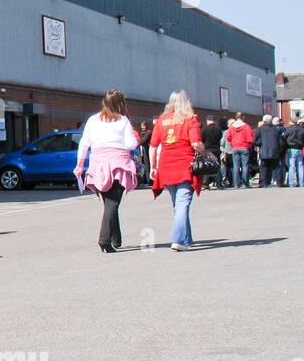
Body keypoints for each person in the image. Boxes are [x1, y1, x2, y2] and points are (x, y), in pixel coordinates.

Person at [74, 89, 140, 253]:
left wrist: (80, 165)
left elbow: (84, 143)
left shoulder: (93, 120)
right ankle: (104, 239)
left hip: (98, 164)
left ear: (104, 102)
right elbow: (131, 144)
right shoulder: (123, 120)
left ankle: (115, 238)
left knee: (109, 202)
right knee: (113, 202)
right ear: (121, 105)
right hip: (118, 163)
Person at [149, 90, 206, 251]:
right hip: (184, 165)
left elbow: (153, 146)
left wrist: (153, 166)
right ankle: (178, 239)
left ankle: (186, 238)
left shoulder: (161, 120)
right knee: (183, 203)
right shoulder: (190, 119)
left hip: (166, 166)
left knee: (178, 203)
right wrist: (205, 153)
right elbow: (195, 143)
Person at [255, 115, 284, 187]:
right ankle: (279, 182)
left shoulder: (260, 129)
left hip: (264, 150)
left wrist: (259, 144)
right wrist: (279, 147)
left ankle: (264, 183)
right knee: (276, 167)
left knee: (264, 167)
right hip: (274, 150)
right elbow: (280, 141)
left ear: (264, 121)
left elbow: (255, 140)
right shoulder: (276, 129)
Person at [226, 113, 253, 187]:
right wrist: (249, 144)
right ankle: (245, 183)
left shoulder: (231, 127)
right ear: (243, 117)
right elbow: (250, 138)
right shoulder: (246, 126)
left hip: (235, 147)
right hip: (244, 147)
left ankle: (236, 183)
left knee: (236, 166)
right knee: (245, 166)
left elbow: (228, 137)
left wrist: (233, 143)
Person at [199, 115, 223, 190]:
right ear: (214, 120)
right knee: (217, 165)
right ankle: (219, 183)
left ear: (207, 121)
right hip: (216, 149)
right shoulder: (218, 129)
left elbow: (201, 139)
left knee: (207, 166)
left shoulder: (204, 129)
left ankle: (206, 183)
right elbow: (220, 138)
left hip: (208, 150)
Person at [284, 115, 304, 188]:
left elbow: (284, 137)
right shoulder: (302, 130)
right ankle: (301, 183)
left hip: (291, 148)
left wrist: (286, 144)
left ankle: (291, 183)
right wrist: (302, 145)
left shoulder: (289, 129)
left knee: (292, 166)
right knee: (300, 166)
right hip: (299, 148)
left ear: (292, 121)